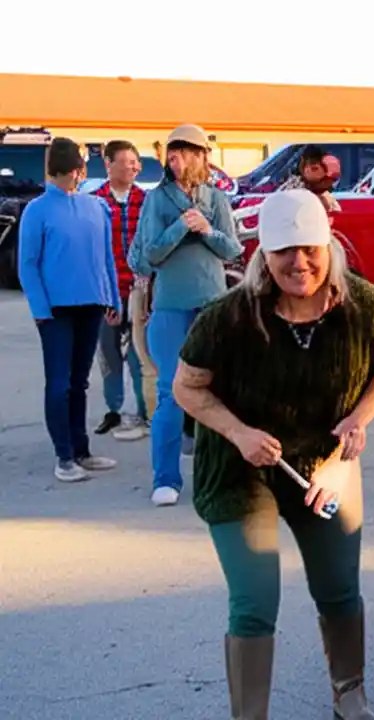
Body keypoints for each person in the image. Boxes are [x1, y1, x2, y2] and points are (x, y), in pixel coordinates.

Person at [172, 189, 374, 720]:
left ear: (328, 245)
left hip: (326, 466)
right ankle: (249, 714)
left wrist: (357, 422)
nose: (299, 262)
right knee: (254, 601)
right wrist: (238, 432)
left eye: (309, 249)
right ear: (263, 255)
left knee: (339, 587)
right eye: (283, 252)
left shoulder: (363, 304)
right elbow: (186, 386)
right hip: (241, 468)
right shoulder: (229, 316)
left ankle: (350, 693)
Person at [129, 124, 241, 507]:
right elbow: (150, 254)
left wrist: (207, 229)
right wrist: (180, 226)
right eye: (171, 157)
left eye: (181, 155)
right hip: (171, 306)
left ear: (200, 156)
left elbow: (232, 249)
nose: (174, 162)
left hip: (212, 305)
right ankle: (166, 478)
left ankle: (220, 475)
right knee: (170, 392)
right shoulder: (157, 200)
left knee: (218, 392)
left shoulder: (216, 198)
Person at [18, 137, 121, 482]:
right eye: (71, 170)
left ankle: (81, 450)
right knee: (59, 383)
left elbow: (106, 258)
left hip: (91, 303)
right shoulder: (37, 210)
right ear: (69, 171)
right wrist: (40, 309)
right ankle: (64, 457)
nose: (74, 176)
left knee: (79, 382)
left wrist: (113, 298)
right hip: (56, 310)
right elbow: (28, 264)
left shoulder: (96, 207)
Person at [90, 140, 152, 440]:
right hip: (107, 292)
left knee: (140, 354)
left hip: (140, 291)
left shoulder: (146, 201)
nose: (133, 167)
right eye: (127, 161)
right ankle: (113, 409)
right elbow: (91, 254)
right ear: (108, 164)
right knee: (109, 354)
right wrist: (102, 296)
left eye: (135, 162)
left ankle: (143, 411)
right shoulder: (95, 202)